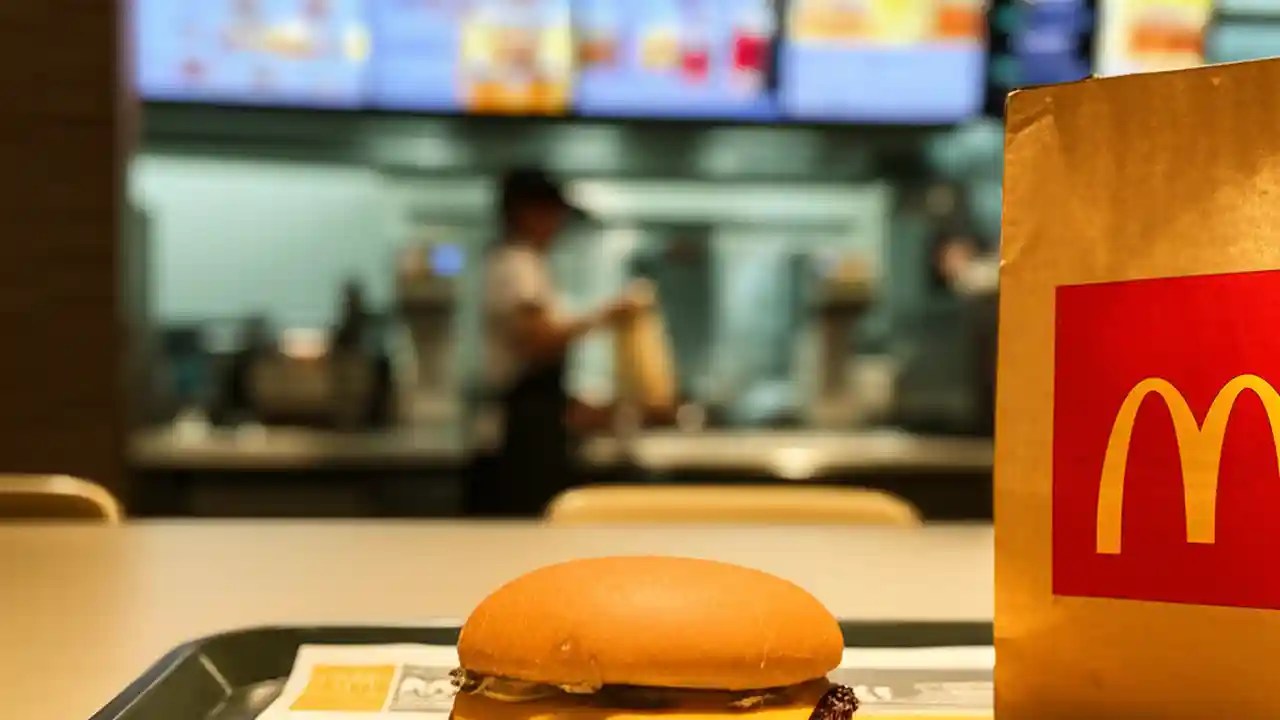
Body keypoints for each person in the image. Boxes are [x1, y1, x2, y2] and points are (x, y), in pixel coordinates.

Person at [467, 168, 638, 516]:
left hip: (535, 418)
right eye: (551, 213)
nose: (557, 225)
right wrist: (608, 316)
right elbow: (538, 340)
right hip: (522, 429)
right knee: (526, 520)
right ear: (524, 213)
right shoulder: (516, 263)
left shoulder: (526, 263)